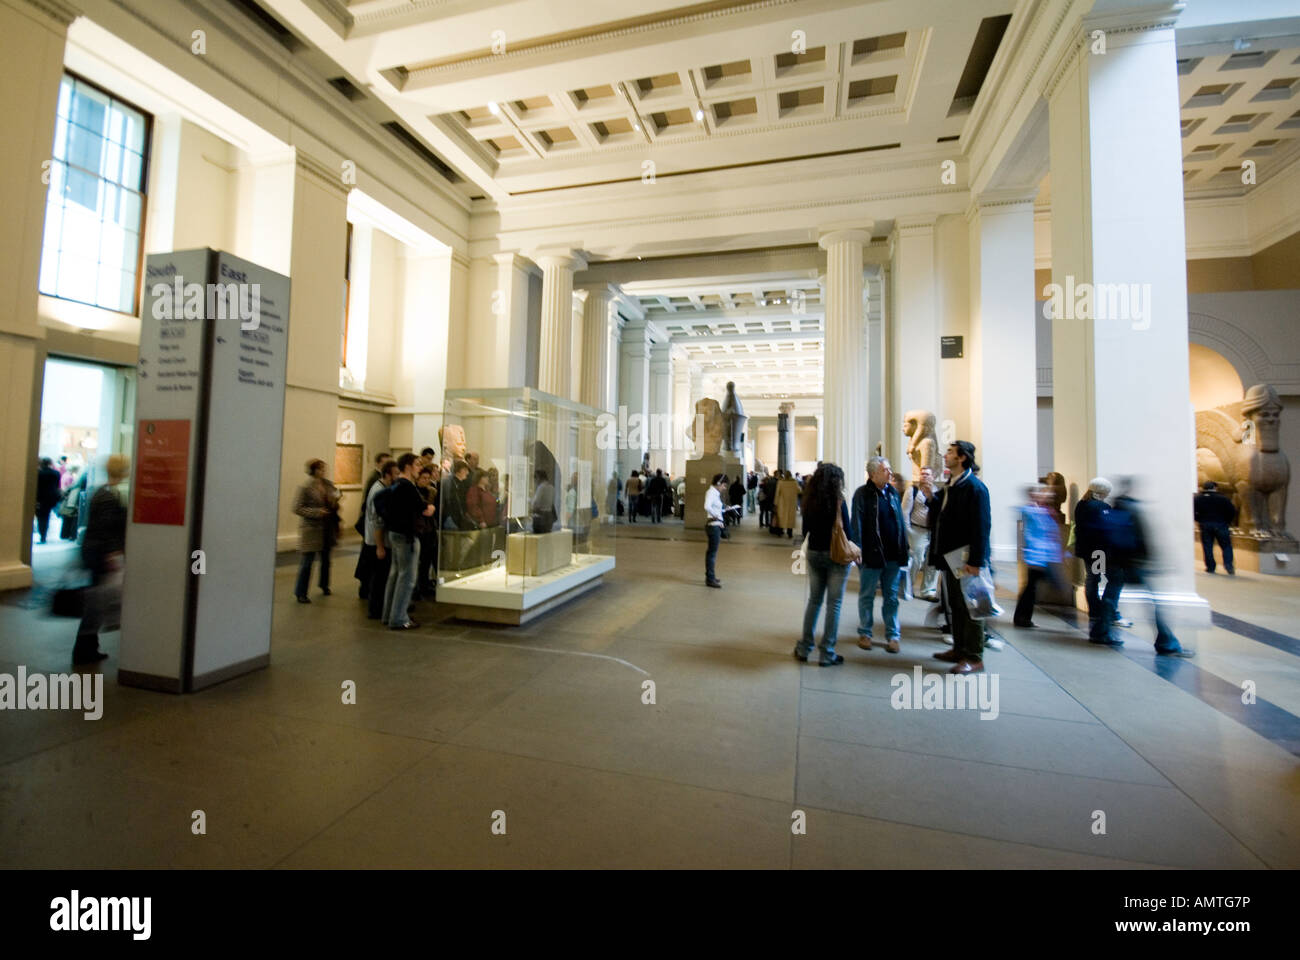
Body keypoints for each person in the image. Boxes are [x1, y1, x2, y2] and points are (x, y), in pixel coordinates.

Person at [1101, 478, 1195, 657]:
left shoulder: (1113, 508)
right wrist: (1152, 561)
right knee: (1155, 603)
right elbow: (1143, 539)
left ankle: (1101, 631)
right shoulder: (1132, 509)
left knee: (1111, 597)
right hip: (1133, 563)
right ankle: (1167, 643)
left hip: (1117, 562)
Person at [930, 441, 992, 675]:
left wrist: (976, 560)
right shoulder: (952, 485)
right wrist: (930, 498)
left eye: (950, 453)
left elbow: (982, 526)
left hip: (966, 557)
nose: (946, 456)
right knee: (955, 604)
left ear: (962, 458)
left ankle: (974, 656)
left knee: (971, 607)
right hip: (951, 555)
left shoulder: (975, 488)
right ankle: (959, 647)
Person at [73, 454, 130, 665]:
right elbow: (107, 529)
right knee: (95, 603)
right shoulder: (108, 496)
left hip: (94, 552)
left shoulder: (102, 492)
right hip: (101, 554)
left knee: (95, 600)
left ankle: (88, 646)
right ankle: (84, 648)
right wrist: (113, 553)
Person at [795, 462, 854, 666]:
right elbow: (848, 531)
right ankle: (827, 652)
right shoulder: (839, 502)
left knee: (814, 601)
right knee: (834, 605)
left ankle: (804, 647)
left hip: (814, 552)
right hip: (836, 555)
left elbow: (805, 532)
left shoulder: (809, 501)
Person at [851, 456, 909, 654]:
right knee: (867, 595)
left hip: (892, 555)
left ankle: (893, 635)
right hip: (871, 554)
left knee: (891, 597)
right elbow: (856, 523)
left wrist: (904, 548)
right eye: (886, 470)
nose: (890, 473)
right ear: (874, 473)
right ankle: (865, 632)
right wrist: (857, 549)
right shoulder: (862, 494)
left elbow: (900, 522)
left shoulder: (892, 493)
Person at [381, 453, 434, 630]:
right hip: (406, 536)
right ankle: (398, 618)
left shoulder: (396, 484)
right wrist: (431, 507)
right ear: (408, 467)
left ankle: (389, 614)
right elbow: (424, 510)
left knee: (395, 574)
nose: (420, 467)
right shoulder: (407, 486)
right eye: (417, 464)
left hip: (395, 533)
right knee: (407, 578)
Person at [1013, 485, 1064, 628]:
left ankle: (1023, 618)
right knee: (1031, 587)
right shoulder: (1030, 511)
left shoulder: (1041, 511)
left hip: (1041, 554)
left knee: (1031, 587)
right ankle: (1022, 618)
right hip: (1036, 554)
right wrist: (1023, 549)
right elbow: (1024, 531)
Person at [1072, 479, 1116, 644]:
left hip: (1086, 549)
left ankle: (1095, 609)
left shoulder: (1081, 504)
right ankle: (1096, 610)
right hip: (1097, 551)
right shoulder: (1099, 507)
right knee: (1094, 579)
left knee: (1092, 578)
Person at [293, 459, 340, 603]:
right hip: (312, 529)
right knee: (307, 562)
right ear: (313, 471)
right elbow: (297, 508)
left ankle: (324, 584)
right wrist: (316, 512)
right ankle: (301, 592)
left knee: (326, 560)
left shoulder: (328, 484)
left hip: (327, 527)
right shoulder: (306, 487)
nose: (323, 471)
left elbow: (334, 499)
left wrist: (335, 500)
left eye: (324, 469)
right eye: (320, 469)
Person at [365, 459, 401, 618]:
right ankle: (375, 609)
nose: (398, 477)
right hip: (378, 543)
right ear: (387, 475)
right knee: (379, 578)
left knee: (383, 576)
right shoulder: (378, 491)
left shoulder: (385, 489)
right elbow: (376, 522)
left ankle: (381, 607)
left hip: (383, 541)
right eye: (396, 474)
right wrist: (380, 546)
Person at [353, 452, 392, 598]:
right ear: (378, 464)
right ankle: (365, 588)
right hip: (371, 527)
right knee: (369, 559)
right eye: (385, 463)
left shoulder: (378, 481)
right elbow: (372, 508)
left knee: (369, 559)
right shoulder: (375, 481)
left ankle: (366, 588)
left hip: (371, 527)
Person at [900, 466, 938, 601]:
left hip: (932, 532)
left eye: (928, 474)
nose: (925, 476)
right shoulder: (913, 490)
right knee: (916, 560)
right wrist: (908, 530)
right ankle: (908, 588)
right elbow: (904, 512)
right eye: (922, 474)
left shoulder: (937, 492)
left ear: (933, 477)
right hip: (917, 530)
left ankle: (928, 590)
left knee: (932, 562)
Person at [1194, 480, 1236, 574]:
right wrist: (1227, 521)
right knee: (1226, 546)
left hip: (1205, 525)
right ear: (1214, 488)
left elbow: (1193, 511)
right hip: (1221, 525)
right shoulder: (1223, 498)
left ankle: (1210, 567)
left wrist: (1199, 520)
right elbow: (1232, 511)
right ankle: (1228, 565)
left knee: (1208, 546)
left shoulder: (1198, 498)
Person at [415, 464, 440, 598]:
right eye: (423, 478)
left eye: (427, 478)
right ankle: (419, 587)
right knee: (421, 561)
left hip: (430, 529)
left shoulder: (432, 491)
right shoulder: (415, 492)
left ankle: (425, 586)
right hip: (420, 529)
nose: (425, 480)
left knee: (429, 559)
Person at [703, 473, 727, 588]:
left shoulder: (714, 493)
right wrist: (716, 516)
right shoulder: (711, 492)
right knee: (712, 553)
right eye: (723, 485)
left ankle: (711, 576)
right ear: (718, 483)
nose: (724, 488)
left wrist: (722, 511)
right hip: (713, 526)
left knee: (712, 553)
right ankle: (710, 578)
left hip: (716, 525)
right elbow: (707, 506)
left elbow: (713, 507)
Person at [35, 458, 61, 544]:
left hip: (40, 498)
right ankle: (44, 536)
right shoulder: (56, 473)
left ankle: (42, 536)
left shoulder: (38, 473)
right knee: (46, 516)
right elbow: (57, 486)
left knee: (41, 517)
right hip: (52, 498)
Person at [441, 459, 472, 530]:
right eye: (465, 470)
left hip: (458, 517)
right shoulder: (448, 483)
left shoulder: (462, 484)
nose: (467, 473)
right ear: (459, 470)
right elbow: (447, 500)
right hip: (451, 517)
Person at [773, 471, 799, 538]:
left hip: (782, 502)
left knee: (781, 517)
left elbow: (777, 493)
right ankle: (790, 533)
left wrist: (775, 503)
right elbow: (799, 490)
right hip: (791, 503)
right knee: (790, 518)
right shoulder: (794, 482)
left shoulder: (781, 482)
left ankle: (779, 532)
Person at [531, 468, 556, 533]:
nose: (535, 481)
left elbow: (536, 503)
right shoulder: (551, 487)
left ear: (539, 478)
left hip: (540, 518)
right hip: (549, 517)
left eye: (535, 478)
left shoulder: (541, 487)